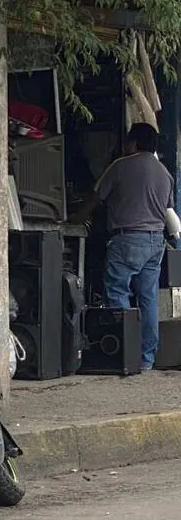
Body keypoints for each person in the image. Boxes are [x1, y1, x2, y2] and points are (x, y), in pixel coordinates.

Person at [72, 123, 175, 370]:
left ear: (134, 143)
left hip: (128, 238)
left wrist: (73, 218)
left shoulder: (120, 165)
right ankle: (146, 359)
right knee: (148, 298)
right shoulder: (165, 173)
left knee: (118, 291)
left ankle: (123, 356)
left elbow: (97, 198)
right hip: (155, 241)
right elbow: (168, 208)